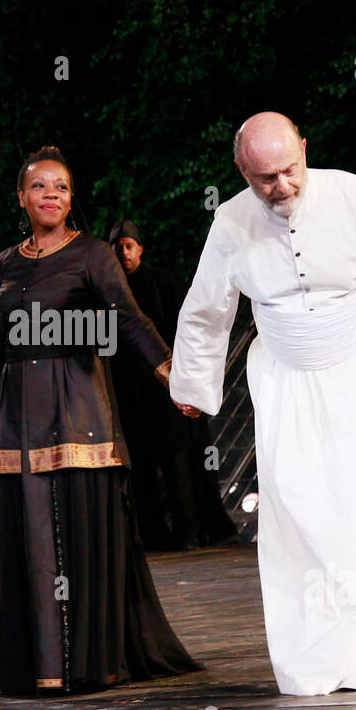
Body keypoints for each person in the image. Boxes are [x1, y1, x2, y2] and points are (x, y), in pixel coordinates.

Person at [170, 112, 356, 696]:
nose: (281, 187)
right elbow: (206, 310)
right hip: (285, 386)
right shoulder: (229, 221)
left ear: (305, 148)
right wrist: (195, 389)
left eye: (289, 170)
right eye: (264, 178)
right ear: (241, 171)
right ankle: (308, 662)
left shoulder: (354, 195)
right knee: (296, 516)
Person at [0, 146, 202, 696]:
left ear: (71, 199)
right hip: (18, 421)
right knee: (30, 540)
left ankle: (88, 665)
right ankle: (41, 667)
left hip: (80, 417)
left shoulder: (93, 254)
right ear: (21, 197)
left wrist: (173, 373)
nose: (51, 194)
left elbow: (129, 321)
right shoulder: (4, 264)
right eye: (39, 186)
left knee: (80, 538)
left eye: (62, 187)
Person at [108, 220, 239, 550]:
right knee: (140, 467)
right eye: (117, 246)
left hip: (167, 392)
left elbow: (189, 331)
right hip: (130, 396)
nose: (123, 251)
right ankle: (153, 533)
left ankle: (189, 532)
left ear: (140, 249)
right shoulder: (108, 292)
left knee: (178, 462)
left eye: (128, 245)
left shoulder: (163, 284)